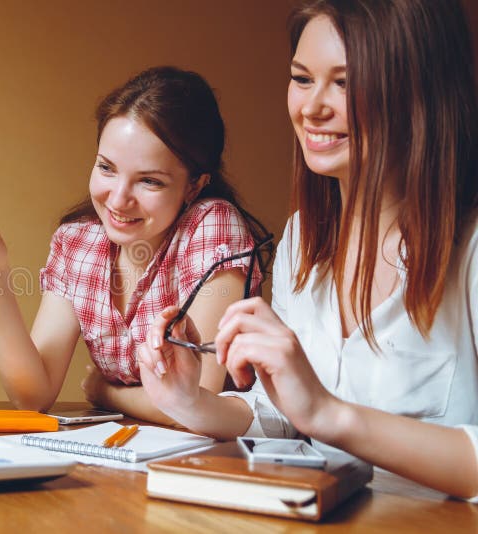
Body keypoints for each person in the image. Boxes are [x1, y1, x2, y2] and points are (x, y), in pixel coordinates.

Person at [137, 0, 478, 499]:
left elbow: (316, 411)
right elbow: (286, 414)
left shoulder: (468, 245)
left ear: (419, 94)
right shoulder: (303, 237)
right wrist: (189, 399)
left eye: (345, 83)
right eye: (302, 78)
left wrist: (329, 414)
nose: (313, 107)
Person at [0, 66, 270, 424]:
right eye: (107, 168)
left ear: (194, 185)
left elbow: (196, 400)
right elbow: (33, 395)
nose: (119, 199)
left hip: (219, 459)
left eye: (149, 181)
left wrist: (107, 393)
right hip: (127, 456)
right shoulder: (79, 242)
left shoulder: (213, 225)